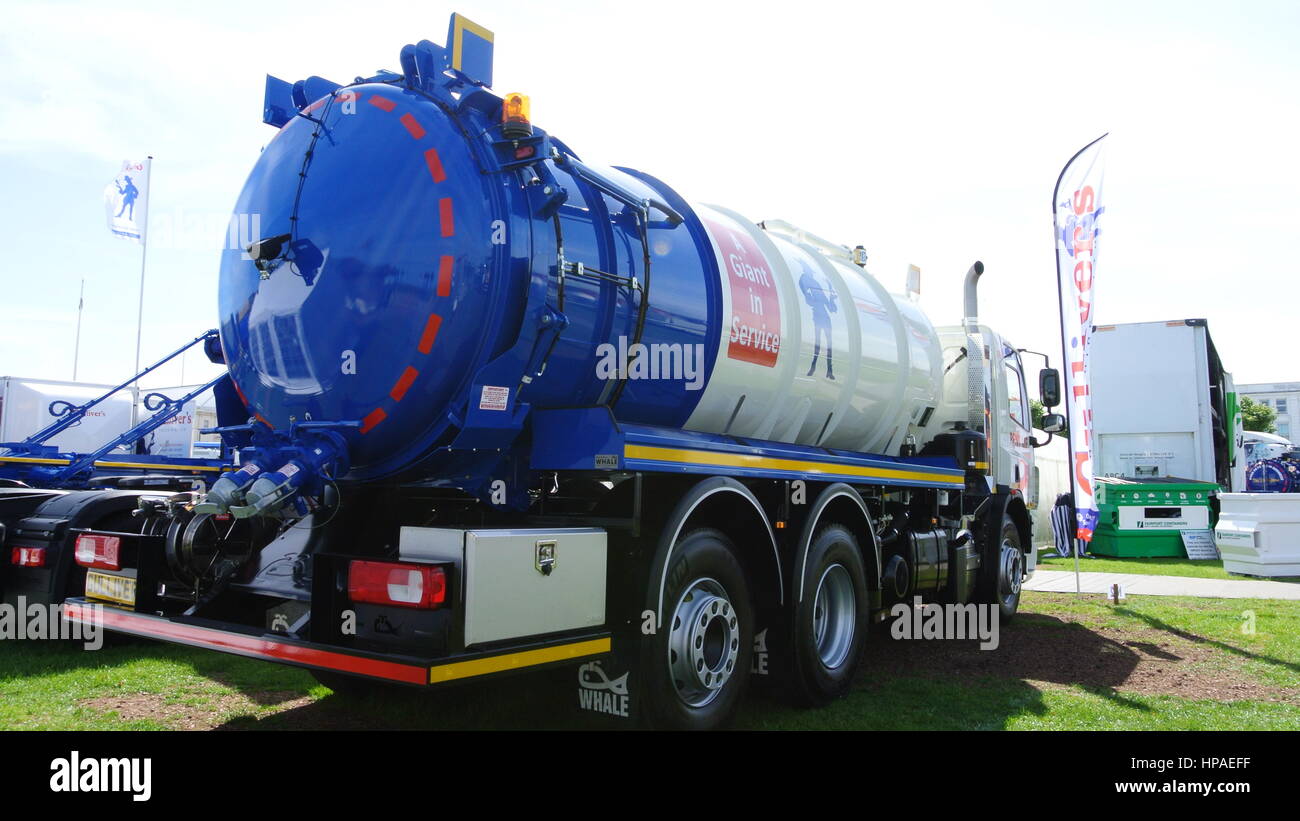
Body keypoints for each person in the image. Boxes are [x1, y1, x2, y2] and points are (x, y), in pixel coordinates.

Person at [799, 264, 837, 379]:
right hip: (818, 317)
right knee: (818, 343)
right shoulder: (807, 284)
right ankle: (813, 367)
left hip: (825, 318)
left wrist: (831, 291)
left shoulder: (818, 290)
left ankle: (829, 370)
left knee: (828, 345)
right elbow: (809, 301)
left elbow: (832, 309)